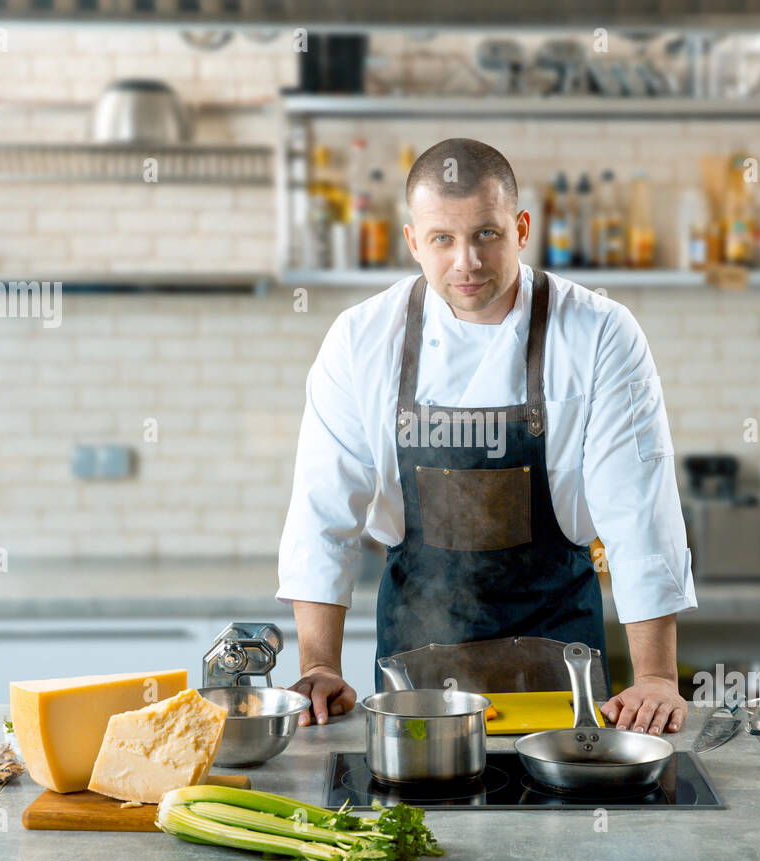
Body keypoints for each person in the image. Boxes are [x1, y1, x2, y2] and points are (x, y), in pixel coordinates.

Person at [277, 138, 697, 735]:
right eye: (443, 239)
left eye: (487, 234)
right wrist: (318, 664)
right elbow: (323, 513)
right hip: (414, 678)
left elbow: (639, 510)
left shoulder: (599, 332)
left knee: (562, 816)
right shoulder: (360, 340)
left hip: (561, 668)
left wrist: (655, 675)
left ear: (521, 229)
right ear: (413, 241)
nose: (466, 262)